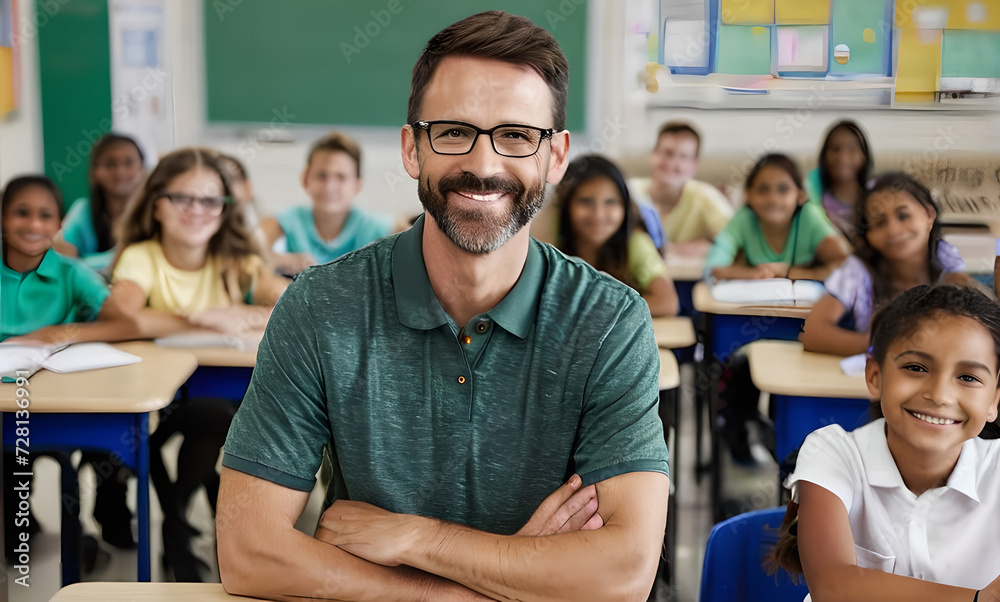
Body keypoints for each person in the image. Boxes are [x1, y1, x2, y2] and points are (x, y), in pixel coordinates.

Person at [217, 11, 670, 602]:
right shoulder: (319, 306)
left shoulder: (611, 322)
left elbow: (624, 574)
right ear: (412, 149)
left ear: (555, 157)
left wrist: (418, 540)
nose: (483, 165)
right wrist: (479, 589)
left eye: (516, 136)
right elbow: (247, 552)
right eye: (454, 131)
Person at [104, 147, 289, 580]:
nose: (197, 210)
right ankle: (176, 525)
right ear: (156, 204)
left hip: (210, 406)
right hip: (150, 402)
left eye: (209, 200)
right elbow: (121, 315)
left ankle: (174, 521)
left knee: (214, 416)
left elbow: (287, 298)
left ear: (224, 211)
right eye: (182, 197)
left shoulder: (234, 262)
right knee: (180, 426)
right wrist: (196, 318)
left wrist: (250, 314)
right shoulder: (142, 257)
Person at [772, 284, 1000, 601]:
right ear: (875, 377)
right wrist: (979, 598)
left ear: (994, 401)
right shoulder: (833, 452)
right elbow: (833, 586)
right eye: (916, 368)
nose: (940, 395)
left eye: (968, 377)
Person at [1, 175, 136, 561]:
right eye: (21, 213)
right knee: (12, 464)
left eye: (45, 215)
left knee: (104, 446)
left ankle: (98, 525)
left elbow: (125, 323)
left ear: (59, 225)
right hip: (7, 398)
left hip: (63, 394)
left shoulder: (71, 271)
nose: (33, 224)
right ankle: (21, 529)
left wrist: (65, 332)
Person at [801, 173, 978, 357]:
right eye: (880, 222)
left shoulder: (947, 263)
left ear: (929, 215)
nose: (893, 230)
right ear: (868, 236)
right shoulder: (858, 270)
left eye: (903, 215)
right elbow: (812, 333)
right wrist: (885, 345)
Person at [556, 154, 679, 316]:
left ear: (625, 206)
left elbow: (667, 303)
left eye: (611, 202)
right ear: (566, 206)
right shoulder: (553, 244)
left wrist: (598, 312)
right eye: (586, 201)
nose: (599, 215)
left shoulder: (635, 244)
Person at [259, 130, 392, 275]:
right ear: (305, 179)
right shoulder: (287, 221)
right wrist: (282, 261)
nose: (329, 187)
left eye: (341, 177)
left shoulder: (379, 228)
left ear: (357, 185)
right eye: (321, 175)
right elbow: (246, 249)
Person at [706, 153, 849, 282]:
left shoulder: (808, 216)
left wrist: (788, 272)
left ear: (800, 195)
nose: (773, 199)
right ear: (748, 195)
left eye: (783, 189)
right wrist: (751, 274)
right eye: (763, 189)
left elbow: (848, 265)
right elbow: (713, 267)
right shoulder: (745, 218)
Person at [629, 121, 734, 256]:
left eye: (683, 156)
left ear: (695, 165)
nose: (673, 163)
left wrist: (670, 250)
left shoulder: (705, 195)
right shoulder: (629, 191)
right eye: (667, 153)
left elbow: (734, 240)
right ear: (653, 155)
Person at [53, 133, 145, 272]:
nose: (120, 171)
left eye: (128, 163)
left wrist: (80, 264)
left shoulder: (151, 214)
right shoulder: (83, 210)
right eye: (110, 164)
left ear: (142, 169)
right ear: (94, 172)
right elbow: (62, 260)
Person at [804, 120, 873, 242]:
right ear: (824, 156)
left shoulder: (874, 197)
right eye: (835, 149)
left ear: (864, 157)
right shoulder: (815, 204)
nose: (842, 158)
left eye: (852, 149)